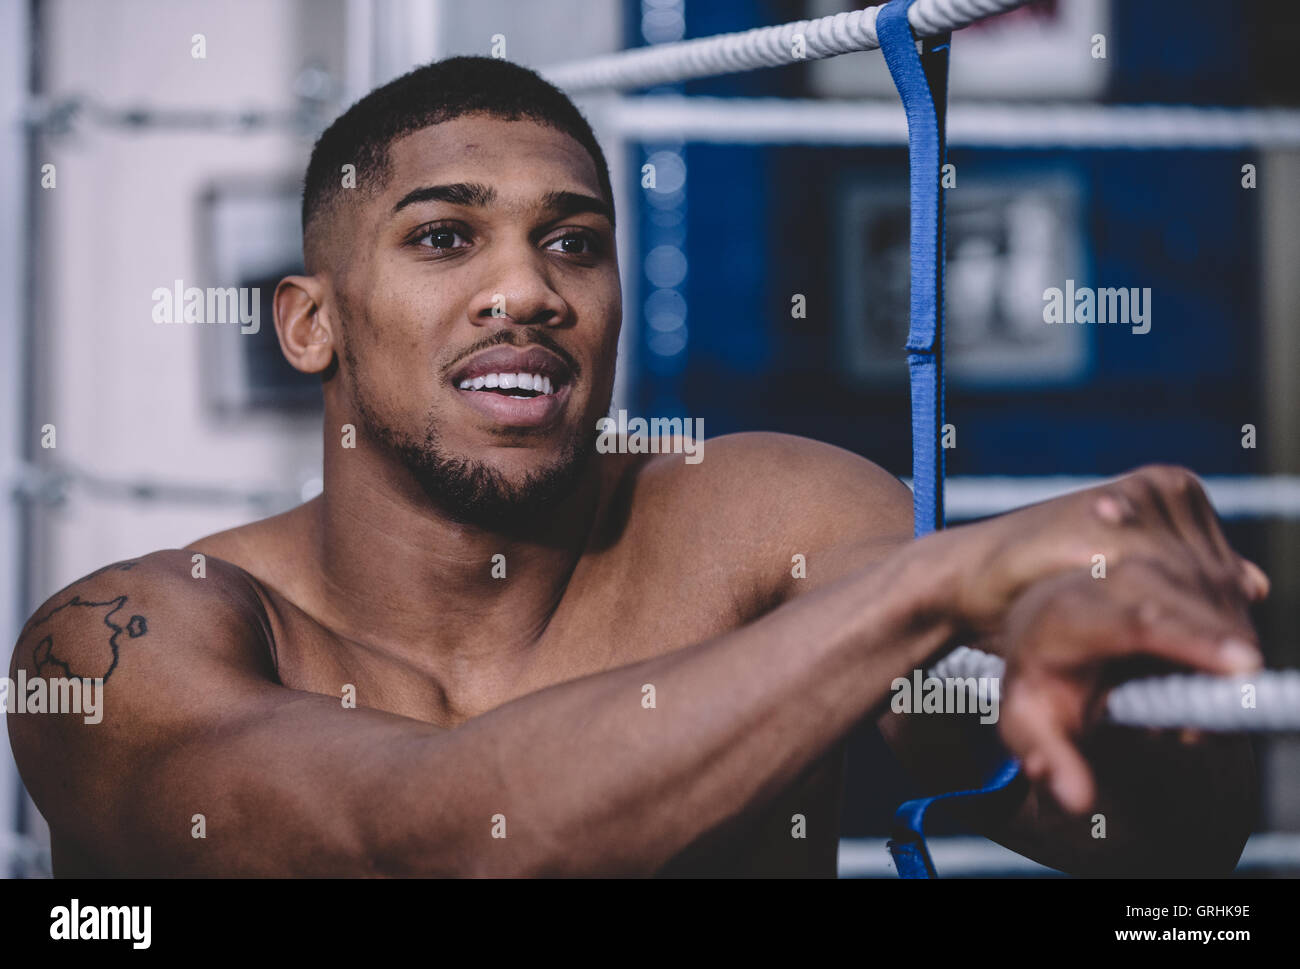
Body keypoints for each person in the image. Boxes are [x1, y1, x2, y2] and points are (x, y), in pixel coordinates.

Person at [7, 56, 1265, 877]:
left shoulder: (761, 515)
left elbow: (1156, 843)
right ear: (309, 322)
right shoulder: (123, 646)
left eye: (574, 243)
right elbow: (421, 841)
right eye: (445, 237)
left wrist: (1106, 660)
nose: (526, 290)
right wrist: (939, 584)